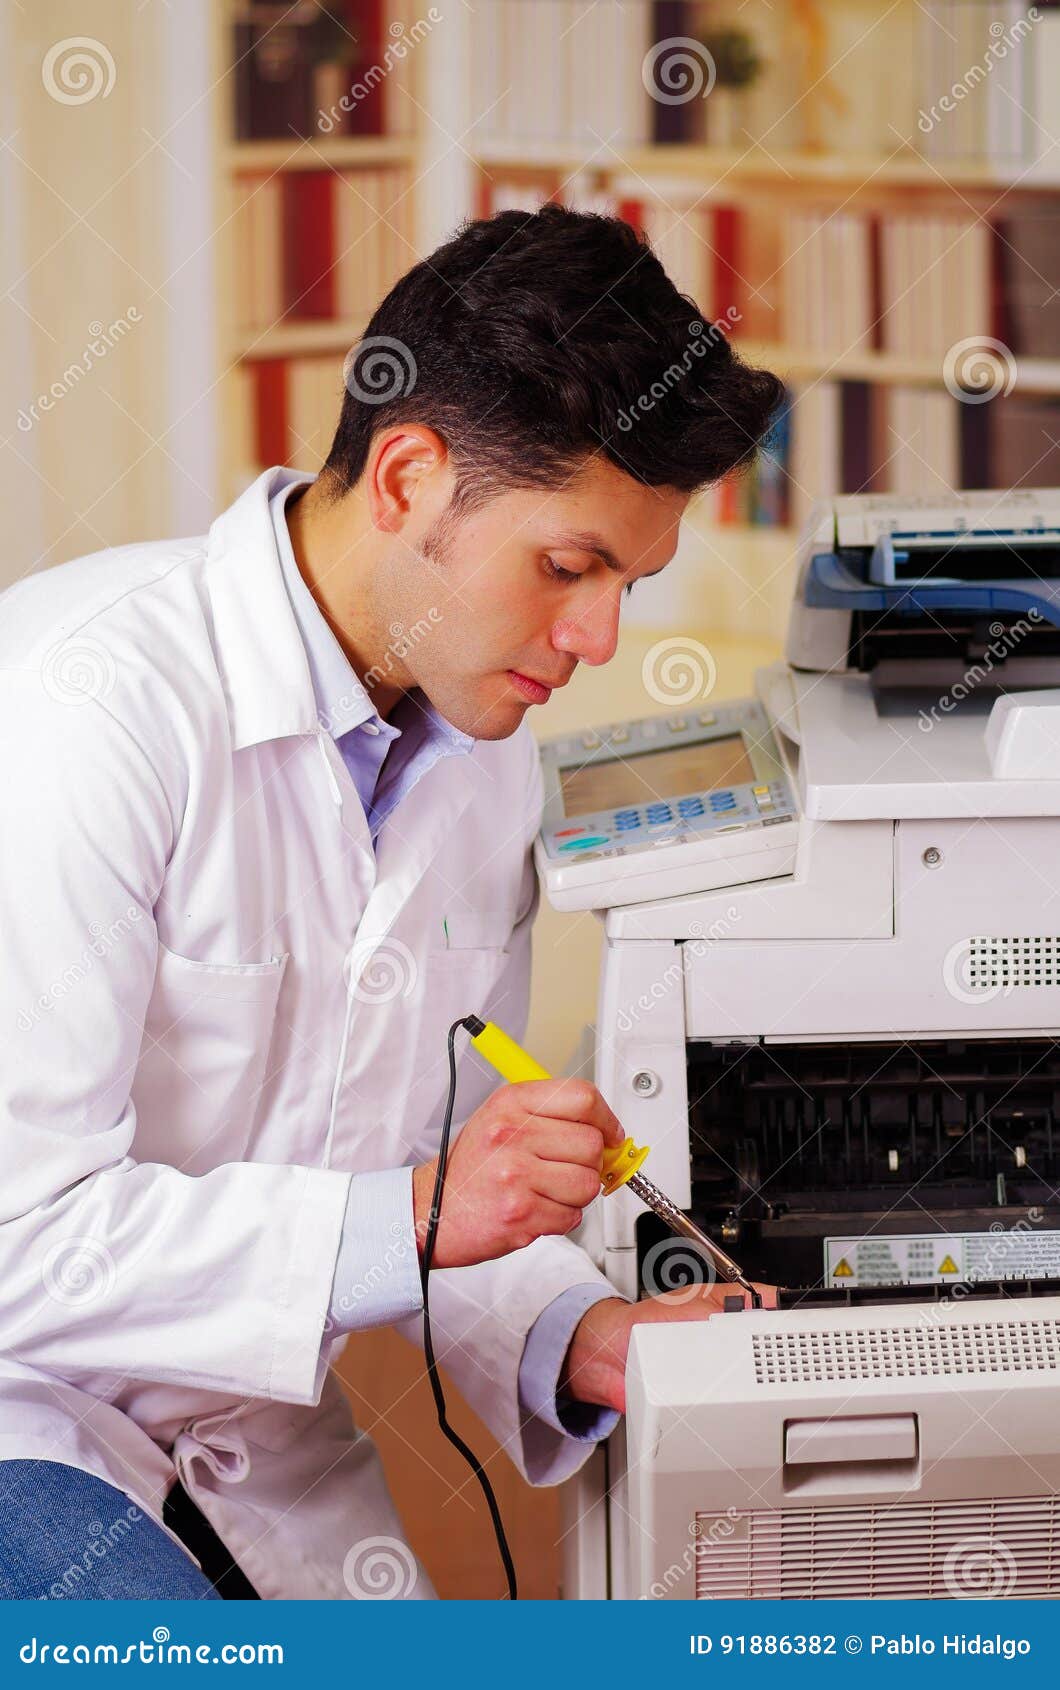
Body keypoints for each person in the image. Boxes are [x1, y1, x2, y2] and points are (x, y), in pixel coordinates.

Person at [0, 205, 780, 1600]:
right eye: (570, 567)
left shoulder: (479, 754)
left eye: (629, 584)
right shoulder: (82, 711)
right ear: (412, 473)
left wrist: (577, 1331)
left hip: (256, 1447)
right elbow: (20, 1243)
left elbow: (451, 1180)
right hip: (26, 1414)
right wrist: (418, 1210)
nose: (601, 639)